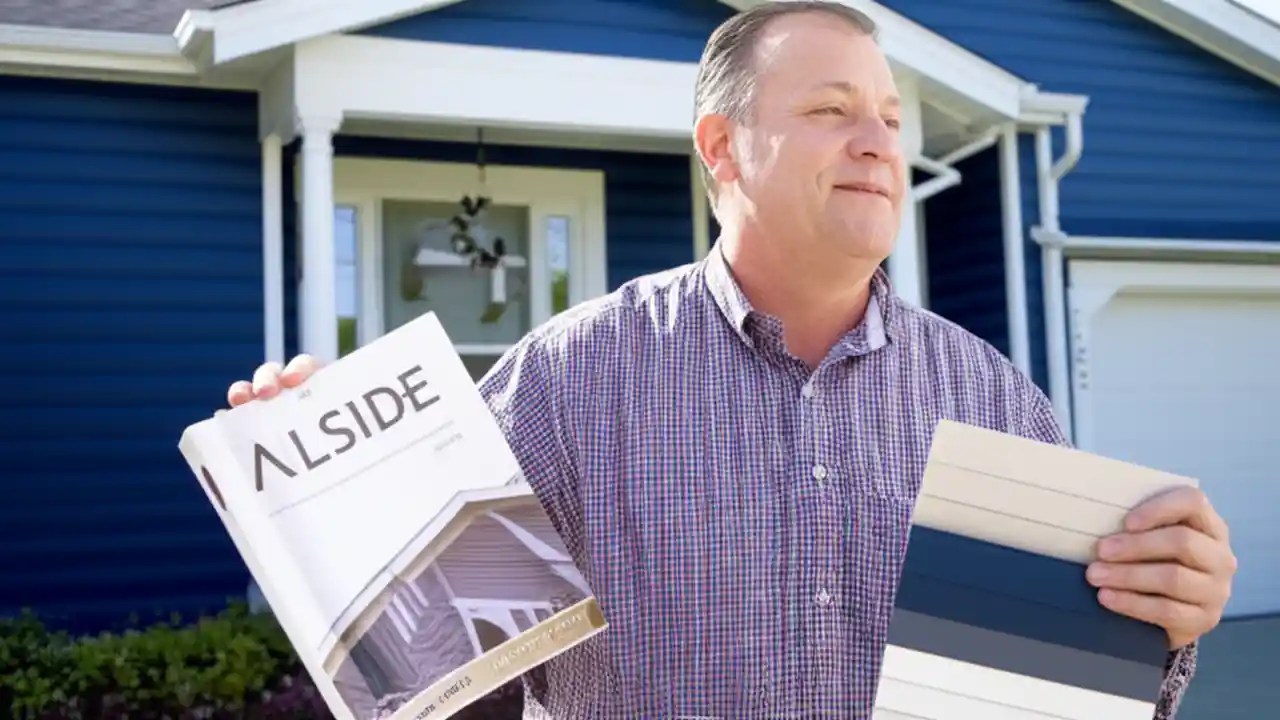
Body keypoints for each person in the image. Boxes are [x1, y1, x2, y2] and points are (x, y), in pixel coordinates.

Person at [226, 3, 1237, 718]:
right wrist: (333, 499)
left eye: (889, 117)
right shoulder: (564, 385)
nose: (878, 141)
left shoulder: (996, 403)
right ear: (721, 146)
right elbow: (444, 680)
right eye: (832, 110)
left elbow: (1056, 695)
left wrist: (1163, 620)